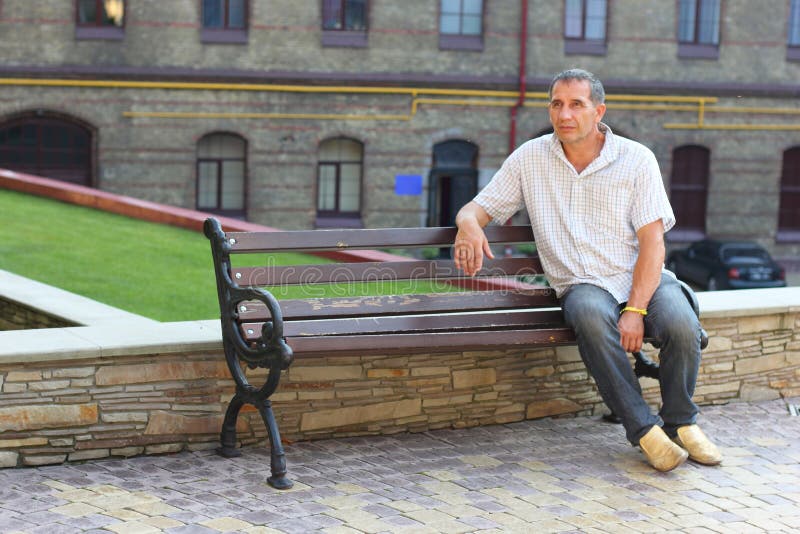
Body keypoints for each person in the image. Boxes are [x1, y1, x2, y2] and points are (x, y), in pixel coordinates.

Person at [453, 68, 722, 472]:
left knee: (681, 324)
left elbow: (653, 244)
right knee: (590, 317)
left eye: (576, 105)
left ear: (599, 111)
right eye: (557, 104)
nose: (565, 115)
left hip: (640, 277)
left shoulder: (636, 160)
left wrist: (635, 310)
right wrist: (468, 224)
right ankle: (645, 431)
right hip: (583, 284)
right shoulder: (530, 158)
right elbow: (478, 206)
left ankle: (682, 422)